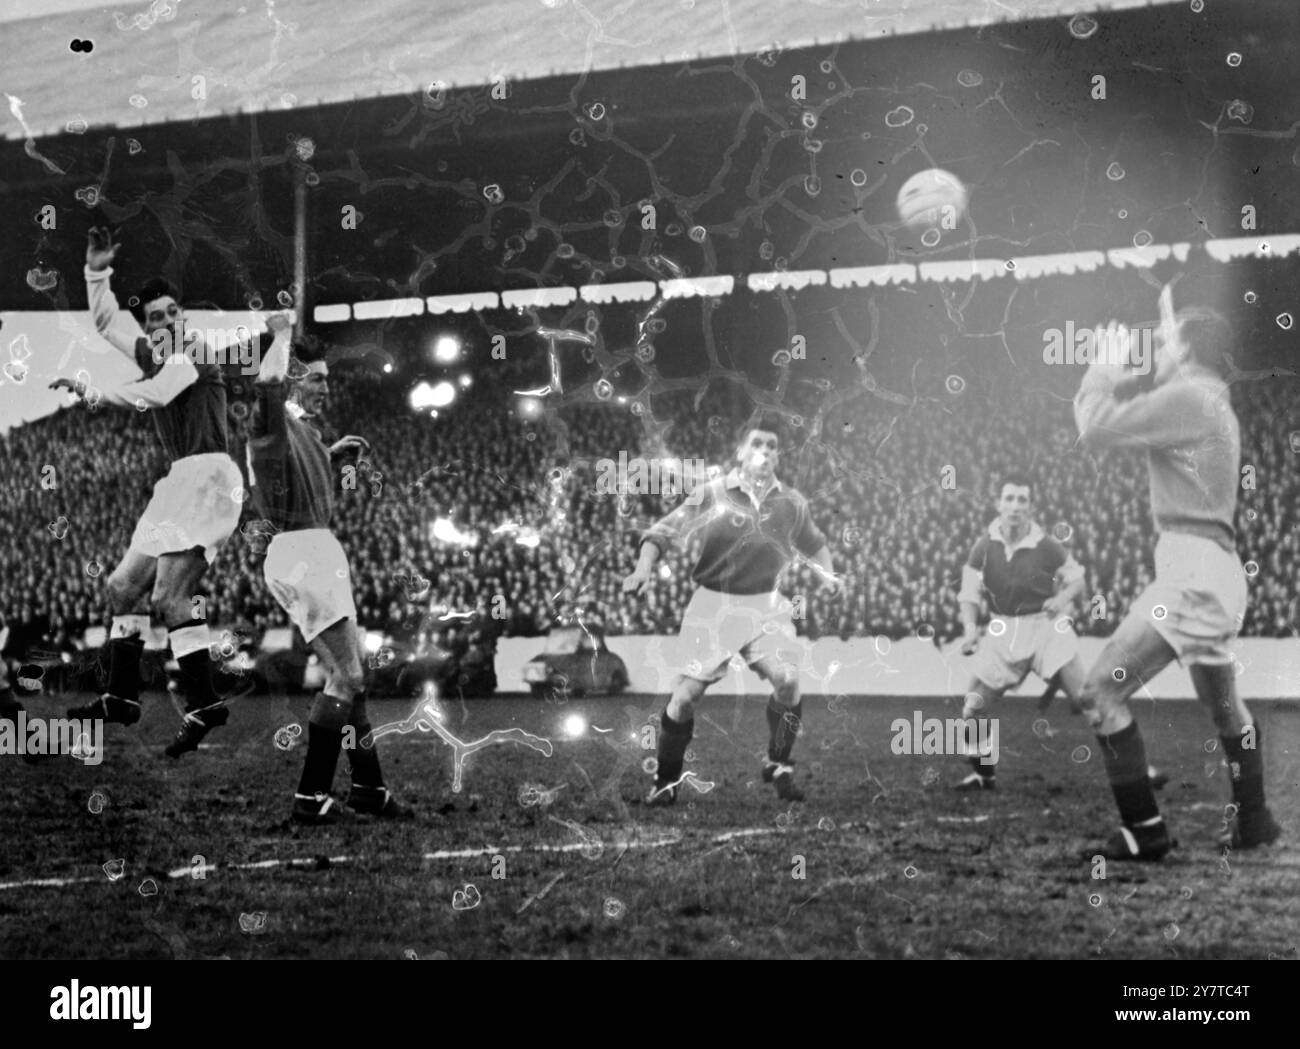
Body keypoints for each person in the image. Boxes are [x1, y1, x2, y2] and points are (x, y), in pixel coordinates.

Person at [1073, 297, 1281, 860]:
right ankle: (1255, 819)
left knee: (1100, 691)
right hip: (1217, 571)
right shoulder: (1214, 402)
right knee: (1224, 707)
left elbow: (1094, 427)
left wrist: (1101, 372)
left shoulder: (1190, 396)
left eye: (1166, 343)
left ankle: (1146, 833)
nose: (1157, 353)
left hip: (1191, 571)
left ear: (1187, 349)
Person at [51, 228, 248, 757]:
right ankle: (120, 696)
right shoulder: (153, 353)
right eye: (155, 317)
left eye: (170, 313)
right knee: (121, 588)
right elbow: (107, 322)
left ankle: (205, 701)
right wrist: (97, 272)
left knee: (168, 597)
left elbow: (158, 394)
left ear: (182, 318)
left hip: (209, 478)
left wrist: (91, 390)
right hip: (178, 482)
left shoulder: (194, 352)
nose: (164, 322)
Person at [622, 415, 838, 805]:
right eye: (757, 444)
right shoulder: (713, 493)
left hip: (767, 605)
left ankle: (778, 764)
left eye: (772, 446)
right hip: (713, 604)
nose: (765, 452)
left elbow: (815, 542)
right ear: (740, 452)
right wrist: (642, 569)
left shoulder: (790, 503)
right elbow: (661, 532)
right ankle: (666, 782)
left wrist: (829, 575)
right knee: (686, 697)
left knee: (788, 680)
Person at [248, 330, 412, 824]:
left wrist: (330, 456)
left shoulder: (306, 435)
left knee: (351, 677)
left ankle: (368, 789)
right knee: (348, 676)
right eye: (316, 379)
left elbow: (308, 489)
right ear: (293, 380)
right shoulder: (271, 420)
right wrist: (279, 332)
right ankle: (310, 797)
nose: (325, 388)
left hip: (310, 547)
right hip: (304, 550)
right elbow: (268, 385)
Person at [952, 475, 1167, 791]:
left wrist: (1061, 599)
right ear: (998, 504)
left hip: (1046, 630)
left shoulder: (1047, 546)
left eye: (1022, 500)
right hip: (1003, 630)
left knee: (1091, 700)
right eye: (1009, 499)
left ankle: (1139, 771)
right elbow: (968, 595)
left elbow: (1077, 580)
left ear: (1031, 508)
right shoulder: (983, 547)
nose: (1014, 507)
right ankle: (984, 776)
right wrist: (970, 631)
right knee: (973, 709)